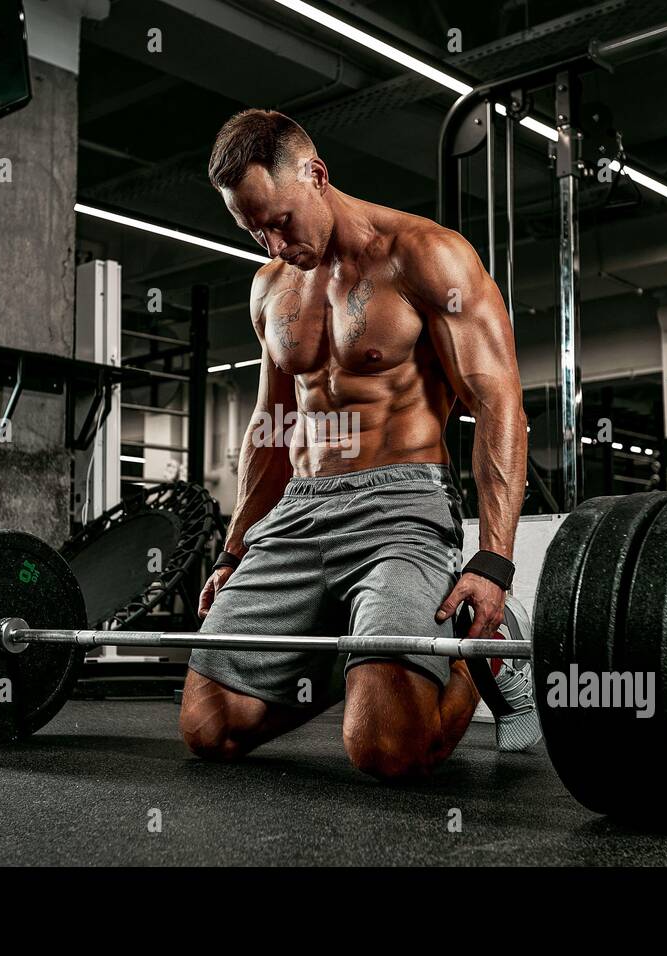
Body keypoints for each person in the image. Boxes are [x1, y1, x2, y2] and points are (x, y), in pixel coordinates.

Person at [180, 109, 536, 779]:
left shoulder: (426, 254)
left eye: (280, 221)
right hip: (299, 514)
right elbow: (271, 427)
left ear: (315, 175)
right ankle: (361, 658)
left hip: (399, 508)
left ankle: (481, 650)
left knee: (384, 750)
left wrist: (492, 560)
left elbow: (499, 403)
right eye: (253, 229)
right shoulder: (269, 288)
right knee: (208, 729)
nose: (273, 243)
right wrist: (234, 548)